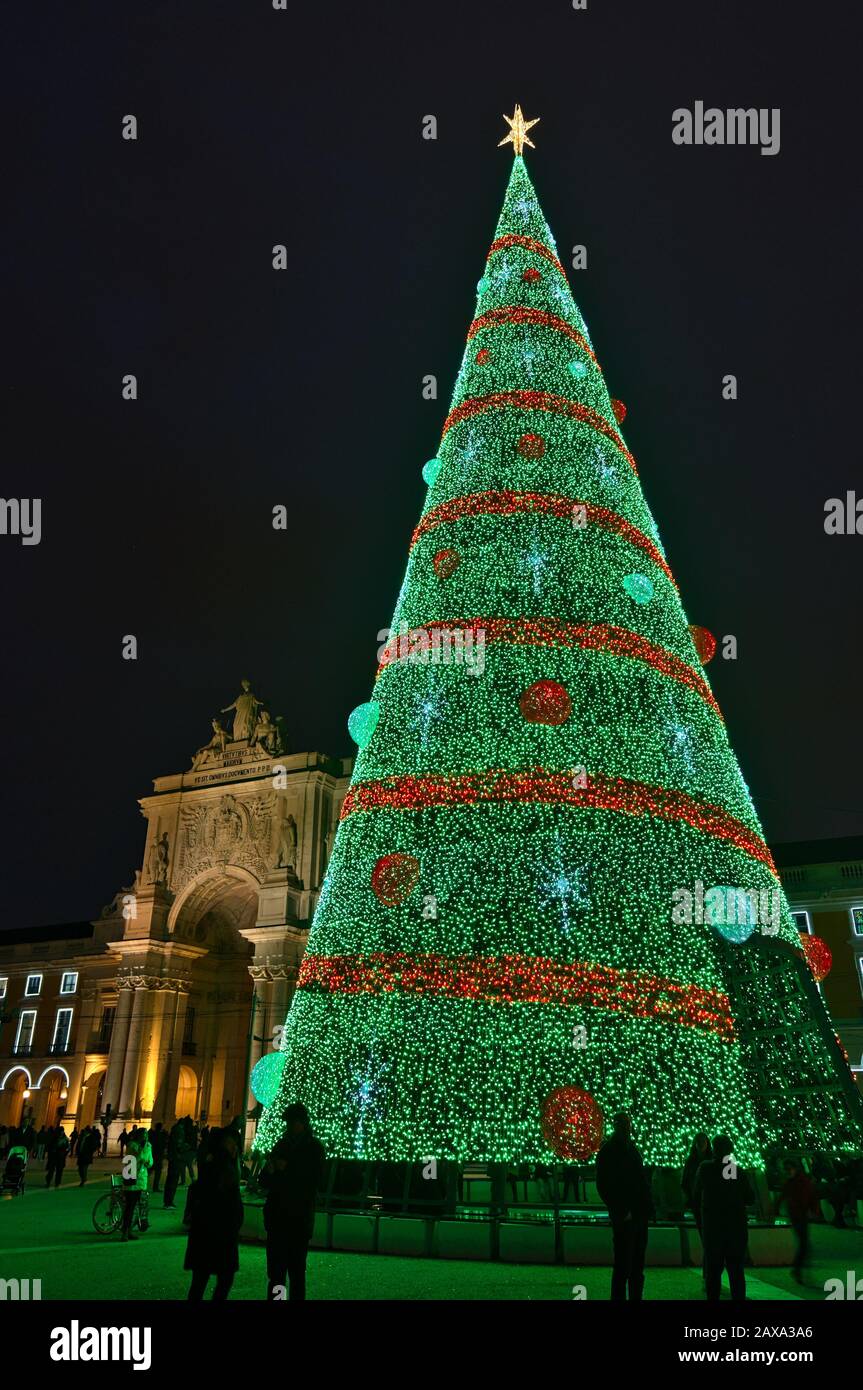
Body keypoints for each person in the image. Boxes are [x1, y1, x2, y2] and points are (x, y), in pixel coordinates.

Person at [261, 1102, 325, 1301]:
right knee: (277, 1274)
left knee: (296, 1273)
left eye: (293, 1122)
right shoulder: (281, 1144)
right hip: (279, 1217)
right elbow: (265, 1180)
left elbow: (314, 1181)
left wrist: (285, 1169)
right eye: (288, 1122)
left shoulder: (314, 1148)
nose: (290, 1126)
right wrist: (271, 1171)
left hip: (298, 1218)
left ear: (303, 1123)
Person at [595, 1112, 653, 1301]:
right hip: (628, 1215)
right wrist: (621, 1210)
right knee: (625, 1266)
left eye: (627, 1123)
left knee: (634, 1266)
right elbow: (604, 1185)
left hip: (636, 1214)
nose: (627, 1127)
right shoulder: (613, 1150)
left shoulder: (627, 1149)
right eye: (624, 1124)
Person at [183, 1129, 244, 1300]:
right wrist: (234, 1224)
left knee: (200, 1281)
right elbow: (227, 1202)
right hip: (219, 1234)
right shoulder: (225, 1167)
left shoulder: (212, 1163)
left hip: (205, 1233)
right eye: (232, 1144)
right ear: (224, 1145)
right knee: (223, 1280)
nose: (235, 1148)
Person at [694, 1134, 754, 1301]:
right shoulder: (736, 1171)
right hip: (735, 1230)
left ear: (714, 1149)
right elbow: (750, 1198)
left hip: (713, 1229)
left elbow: (696, 1192)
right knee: (736, 1273)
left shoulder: (705, 1168)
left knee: (713, 1272)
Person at [781, 1158, 817, 1284]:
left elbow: (810, 1196)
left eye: (789, 1169)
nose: (788, 1172)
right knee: (804, 1243)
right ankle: (797, 1268)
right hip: (797, 1215)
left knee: (804, 1243)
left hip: (799, 1214)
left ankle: (797, 1269)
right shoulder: (796, 1181)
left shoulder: (799, 1181)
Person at [120, 1127, 153, 1241]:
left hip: (142, 1179)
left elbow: (150, 1162)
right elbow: (137, 1158)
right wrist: (144, 1151)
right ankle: (125, 1231)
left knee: (137, 1207)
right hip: (131, 1176)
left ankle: (130, 1230)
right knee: (130, 1206)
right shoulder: (132, 1145)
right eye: (143, 1135)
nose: (145, 1137)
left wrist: (147, 1159)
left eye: (146, 1135)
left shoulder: (148, 1146)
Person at [681, 1132, 711, 1233]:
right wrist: (691, 1197)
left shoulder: (712, 1160)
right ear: (695, 1144)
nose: (702, 1144)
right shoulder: (690, 1161)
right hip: (697, 1202)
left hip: (711, 1201)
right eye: (699, 1142)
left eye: (704, 1141)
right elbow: (684, 1182)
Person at [163, 1119, 187, 1209]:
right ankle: (169, 1202)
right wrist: (185, 1147)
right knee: (173, 1181)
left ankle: (167, 1201)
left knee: (170, 1180)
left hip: (172, 1158)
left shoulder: (174, 1130)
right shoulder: (179, 1131)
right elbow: (179, 1146)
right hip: (176, 1159)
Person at [150, 1123, 168, 1193]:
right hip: (158, 1156)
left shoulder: (153, 1134)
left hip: (153, 1155)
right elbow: (163, 1144)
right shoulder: (161, 1135)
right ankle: (155, 1187)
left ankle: (141, 1185)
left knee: (150, 1171)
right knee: (158, 1173)